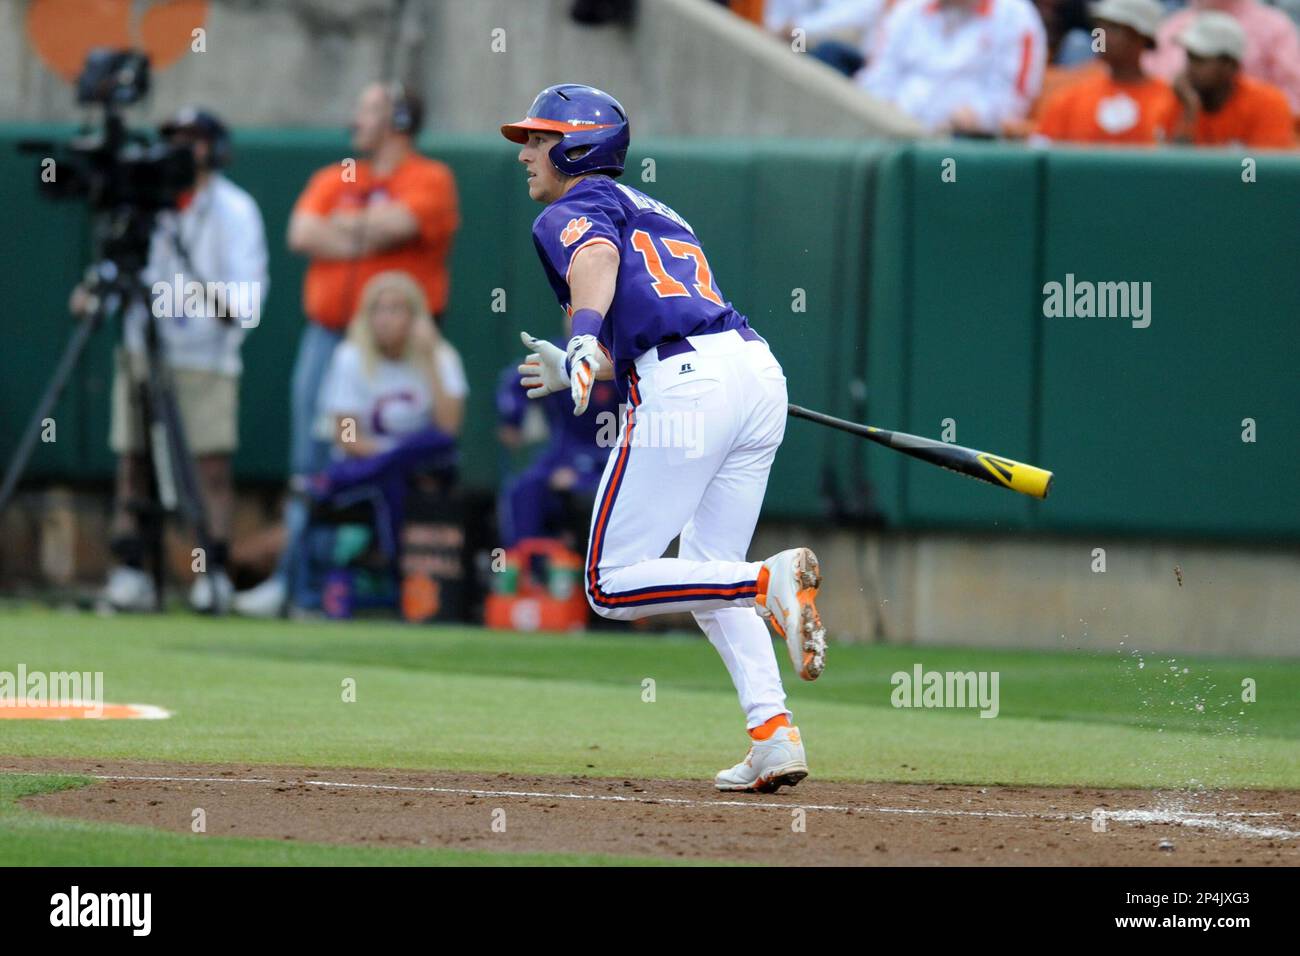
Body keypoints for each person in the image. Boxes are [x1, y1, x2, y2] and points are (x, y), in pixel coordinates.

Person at [502, 85, 827, 794]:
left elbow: (596, 263)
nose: (525, 151)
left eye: (537, 137)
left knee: (608, 584)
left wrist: (584, 337)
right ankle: (773, 734)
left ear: (577, 145)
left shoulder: (573, 207)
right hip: (749, 371)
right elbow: (661, 309)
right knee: (706, 565)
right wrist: (583, 363)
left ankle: (765, 582)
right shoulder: (660, 208)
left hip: (687, 386)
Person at [235, 82, 460, 617]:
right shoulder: (336, 176)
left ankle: (373, 591)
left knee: (397, 459)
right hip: (329, 335)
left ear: (399, 118)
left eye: (369, 109)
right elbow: (301, 233)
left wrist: (347, 228)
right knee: (309, 465)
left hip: (399, 344)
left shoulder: (430, 177)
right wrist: (364, 233)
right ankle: (294, 584)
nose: (354, 119)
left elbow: (399, 224)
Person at [90, 106, 268, 613]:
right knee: (134, 462)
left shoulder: (236, 210)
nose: (184, 150)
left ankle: (210, 573)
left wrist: (198, 292)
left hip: (206, 358)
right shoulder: (147, 207)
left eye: (194, 139)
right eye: (174, 139)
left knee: (208, 468)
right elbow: (117, 263)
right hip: (142, 349)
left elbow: (246, 302)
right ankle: (131, 572)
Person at [293, 271, 467, 610]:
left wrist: (430, 358)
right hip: (370, 465)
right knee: (391, 475)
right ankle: (391, 575)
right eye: (378, 310)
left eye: (396, 310)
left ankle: (333, 487)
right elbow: (344, 434)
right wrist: (389, 456)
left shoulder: (442, 357)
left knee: (427, 446)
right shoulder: (350, 356)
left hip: (422, 465)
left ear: (416, 317)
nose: (385, 319)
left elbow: (448, 429)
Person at [496, 321, 621, 550]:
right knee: (525, 489)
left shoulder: (619, 361)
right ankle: (525, 567)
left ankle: (584, 575)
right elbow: (516, 383)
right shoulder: (559, 356)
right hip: (561, 454)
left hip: (609, 459)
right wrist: (513, 419)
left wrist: (582, 470)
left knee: (588, 496)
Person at [861, 0, 1047, 134]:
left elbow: (1014, 98)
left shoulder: (1016, 15)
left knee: (947, 170)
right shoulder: (908, 10)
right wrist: (883, 110)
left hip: (962, 139)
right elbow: (877, 77)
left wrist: (974, 117)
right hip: (893, 128)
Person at [1035, 0, 1182, 143]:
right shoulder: (1071, 98)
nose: (1101, 37)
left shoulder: (1170, 100)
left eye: (1112, 29)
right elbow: (1041, 152)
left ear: (1140, 37)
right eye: (1099, 28)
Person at [1146, 0, 1300, 115]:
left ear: (1231, 65)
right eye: (1192, 57)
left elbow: (1294, 99)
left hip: (1252, 142)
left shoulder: (1276, 28)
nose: (1192, 66)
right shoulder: (1169, 28)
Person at [1173, 11, 1298, 145]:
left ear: (1230, 65)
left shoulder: (1268, 103)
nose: (1190, 68)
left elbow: (1263, 165)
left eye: (1200, 60)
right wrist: (1189, 113)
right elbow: (1171, 164)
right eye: (1190, 58)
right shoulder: (1181, 100)